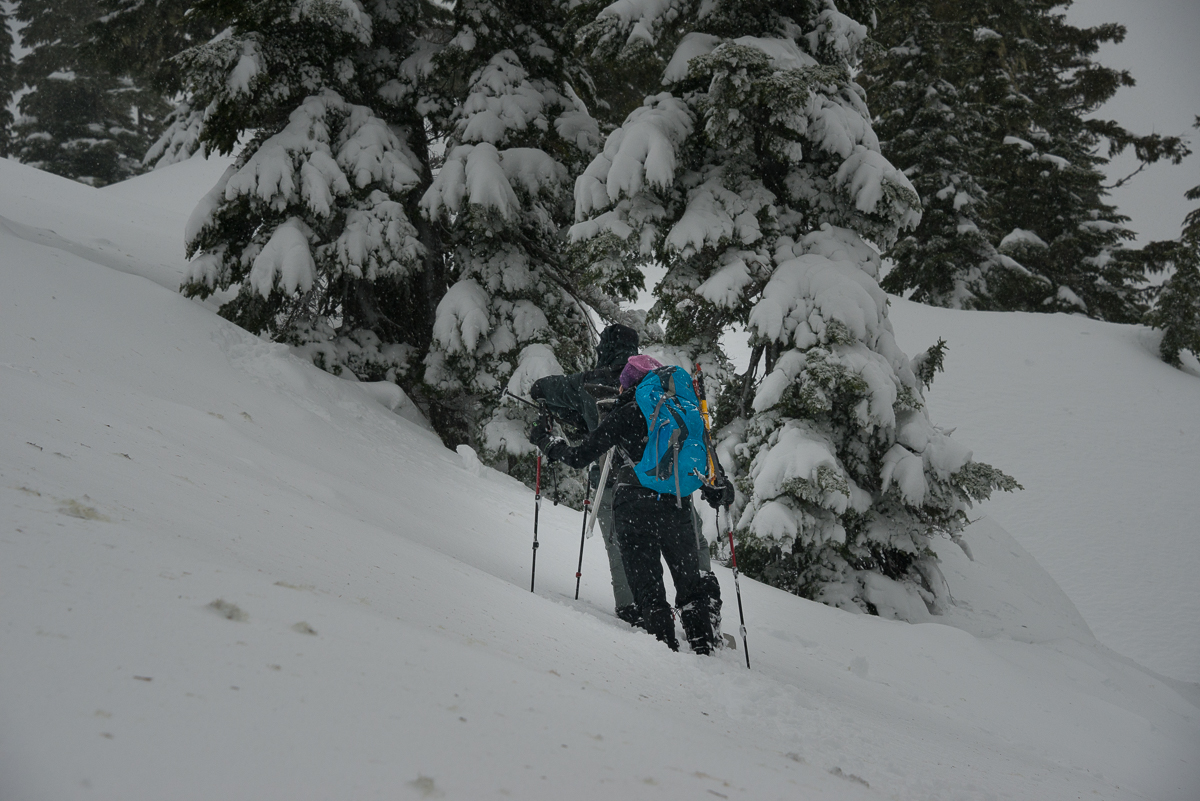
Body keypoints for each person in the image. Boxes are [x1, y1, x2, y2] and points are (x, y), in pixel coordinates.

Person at [530, 355, 732, 654]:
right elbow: (713, 479)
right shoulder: (684, 413)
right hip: (676, 507)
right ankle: (704, 648)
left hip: (633, 506)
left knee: (649, 591)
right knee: (690, 586)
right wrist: (717, 492)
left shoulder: (627, 412)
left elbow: (578, 457)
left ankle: (664, 652)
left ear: (628, 385)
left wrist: (546, 442)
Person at [530, 324, 641, 623]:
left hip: (610, 478)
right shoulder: (646, 381)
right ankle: (686, 604)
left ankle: (631, 607)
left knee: (618, 544)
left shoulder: (590, 382)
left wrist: (569, 413)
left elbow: (539, 388)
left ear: (605, 348)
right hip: (651, 481)